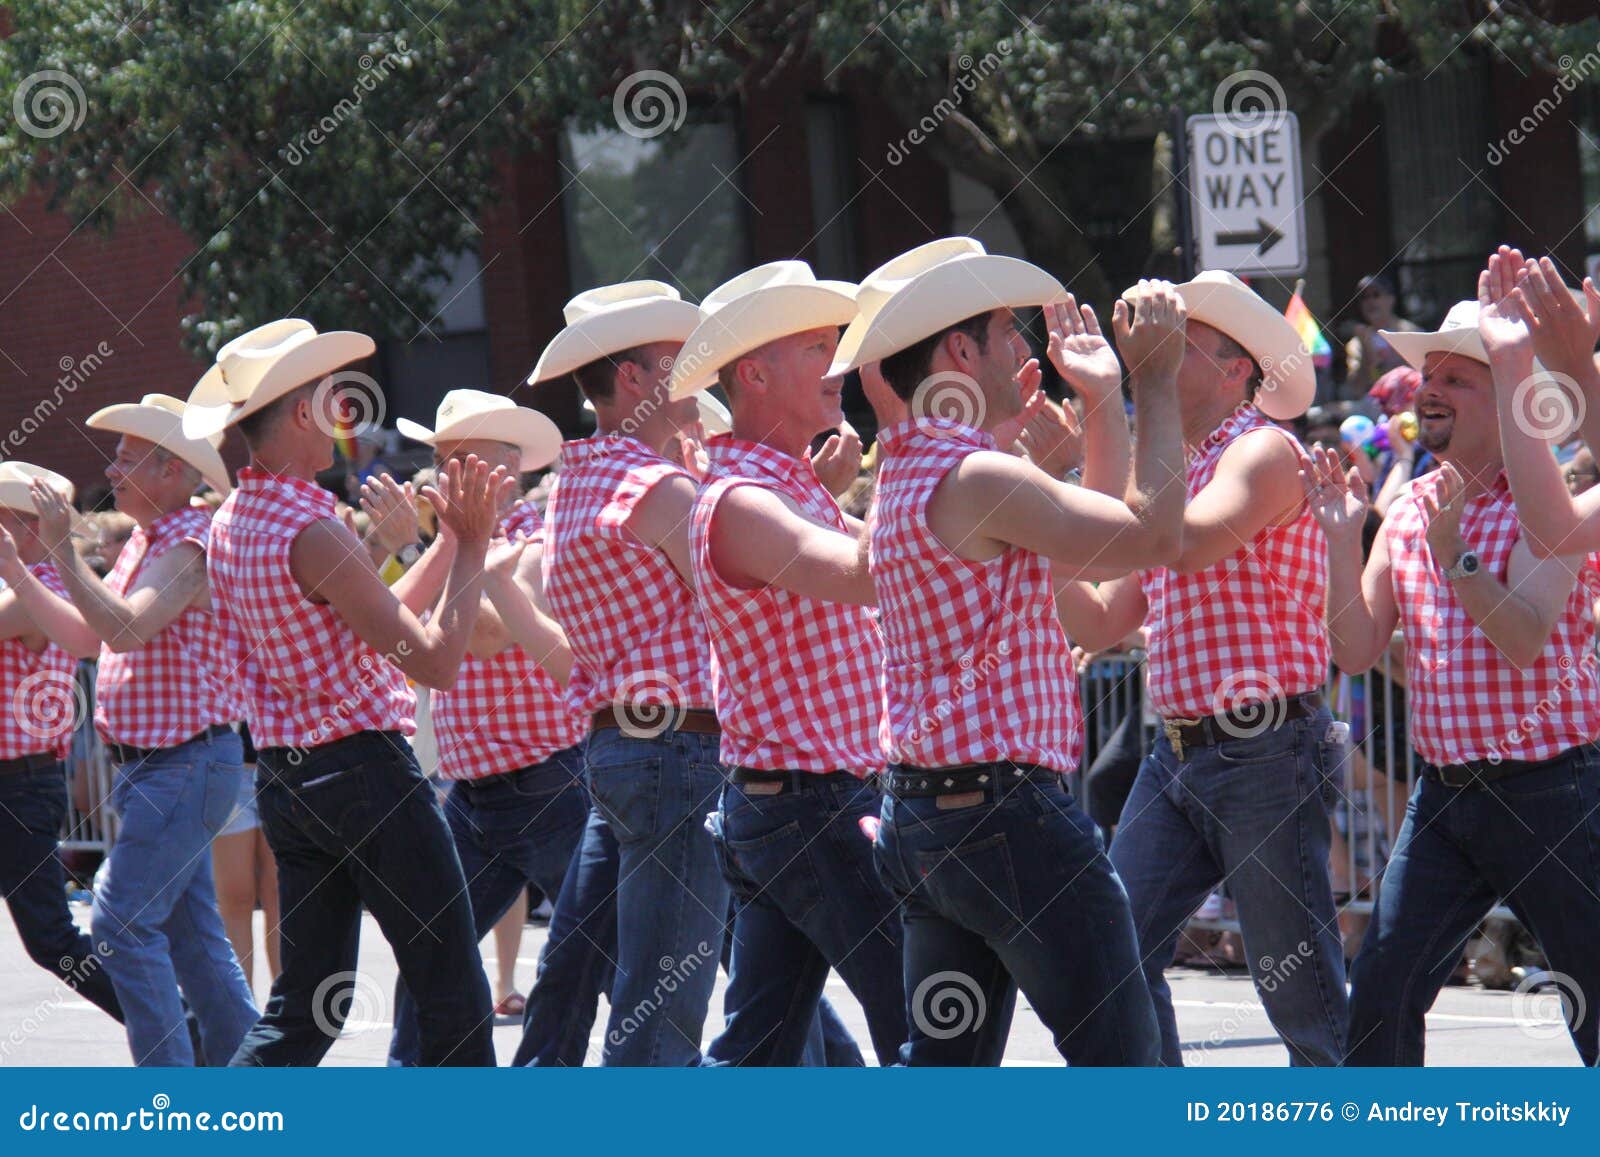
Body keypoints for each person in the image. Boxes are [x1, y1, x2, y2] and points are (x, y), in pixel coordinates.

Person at [835, 238, 1187, 1065]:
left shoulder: (909, 476)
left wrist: (1102, 399)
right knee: (1124, 1064)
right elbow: (1153, 535)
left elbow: (1091, 546)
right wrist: (1155, 378)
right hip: (1006, 813)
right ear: (961, 353)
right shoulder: (980, 477)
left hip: (925, 814)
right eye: (1004, 331)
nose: (1022, 348)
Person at [182, 319, 510, 1067]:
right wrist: (473, 542)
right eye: (332, 401)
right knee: (453, 994)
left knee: (302, 1013)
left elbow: (374, 626)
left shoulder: (233, 520)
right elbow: (435, 661)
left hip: (289, 779)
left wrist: (449, 543)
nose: (344, 415)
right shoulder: (313, 526)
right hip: (366, 775)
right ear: (302, 412)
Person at [1306, 246, 1600, 1065]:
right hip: (1444, 796)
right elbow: (1355, 647)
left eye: (1457, 379)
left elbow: (1524, 637)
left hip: (1553, 790)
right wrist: (1341, 541)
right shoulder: (1407, 507)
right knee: (1382, 990)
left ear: (1509, 398)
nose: (1428, 389)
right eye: (1428, 374)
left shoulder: (1551, 504)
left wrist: (1457, 558)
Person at [1065, 271, 1348, 1067]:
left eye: (1181, 343)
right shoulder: (1175, 469)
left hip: (1267, 749)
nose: (1159, 351)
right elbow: (1100, 617)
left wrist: (1138, 389)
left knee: (1302, 1000)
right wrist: (1032, 536)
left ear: (1236, 370)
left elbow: (1180, 543)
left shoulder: (1263, 449)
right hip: (1180, 751)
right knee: (1112, 954)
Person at [666, 259, 906, 1065]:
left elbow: (895, 563)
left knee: (757, 1052)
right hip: (813, 804)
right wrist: (903, 435)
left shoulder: (779, 485)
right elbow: (875, 570)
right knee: (930, 1021)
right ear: (755, 374)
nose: (837, 362)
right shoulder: (742, 497)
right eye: (816, 346)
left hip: (794, 803)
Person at [16, 394, 257, 1066]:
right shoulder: (154, 541)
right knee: (194, 942)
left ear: (171, 470)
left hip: (182, 763)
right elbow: (88, 638)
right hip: (166, 767)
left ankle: (169, 1098)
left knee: (119, 923)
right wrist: (20, 571)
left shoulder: (187, 544)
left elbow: (123, 628)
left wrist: (59, 551)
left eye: (126, 459)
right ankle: (256, 1082)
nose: (111, 470)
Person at [518, 280, 721, 1066]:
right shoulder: (657, 487)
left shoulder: (576, 482)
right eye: (679, 360)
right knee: (662, 1013)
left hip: (620, 745)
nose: (697, 371)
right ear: (634, 378)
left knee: (616, 974)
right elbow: (742, 597)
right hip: (682, 747)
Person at [381, 389, 583, 1067]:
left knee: (597, 957)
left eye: (462, 462)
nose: (445, 477)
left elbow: (488, 635)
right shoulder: (455, 546)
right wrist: (435, 549)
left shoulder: (533, 539)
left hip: (550, 788)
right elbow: (392, 632)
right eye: (442, 462)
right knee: (430, 954)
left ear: (508, 470)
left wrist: (438, 550)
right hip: (474, 795)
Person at [0, 462, 124, 1026]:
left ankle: (174, 1025)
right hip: (20, 782)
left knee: (51, 938)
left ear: (27, 527)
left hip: (18, 785)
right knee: (51, 938)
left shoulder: (37, 590)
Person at [1343, 273, 1418, 396]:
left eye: (1376, 295)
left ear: (1391, 299)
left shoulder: (1412, 333)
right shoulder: (1356, 344)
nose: (1370, 301)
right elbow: (1356, 390)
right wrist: (1366, 350)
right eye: (1364, 297)